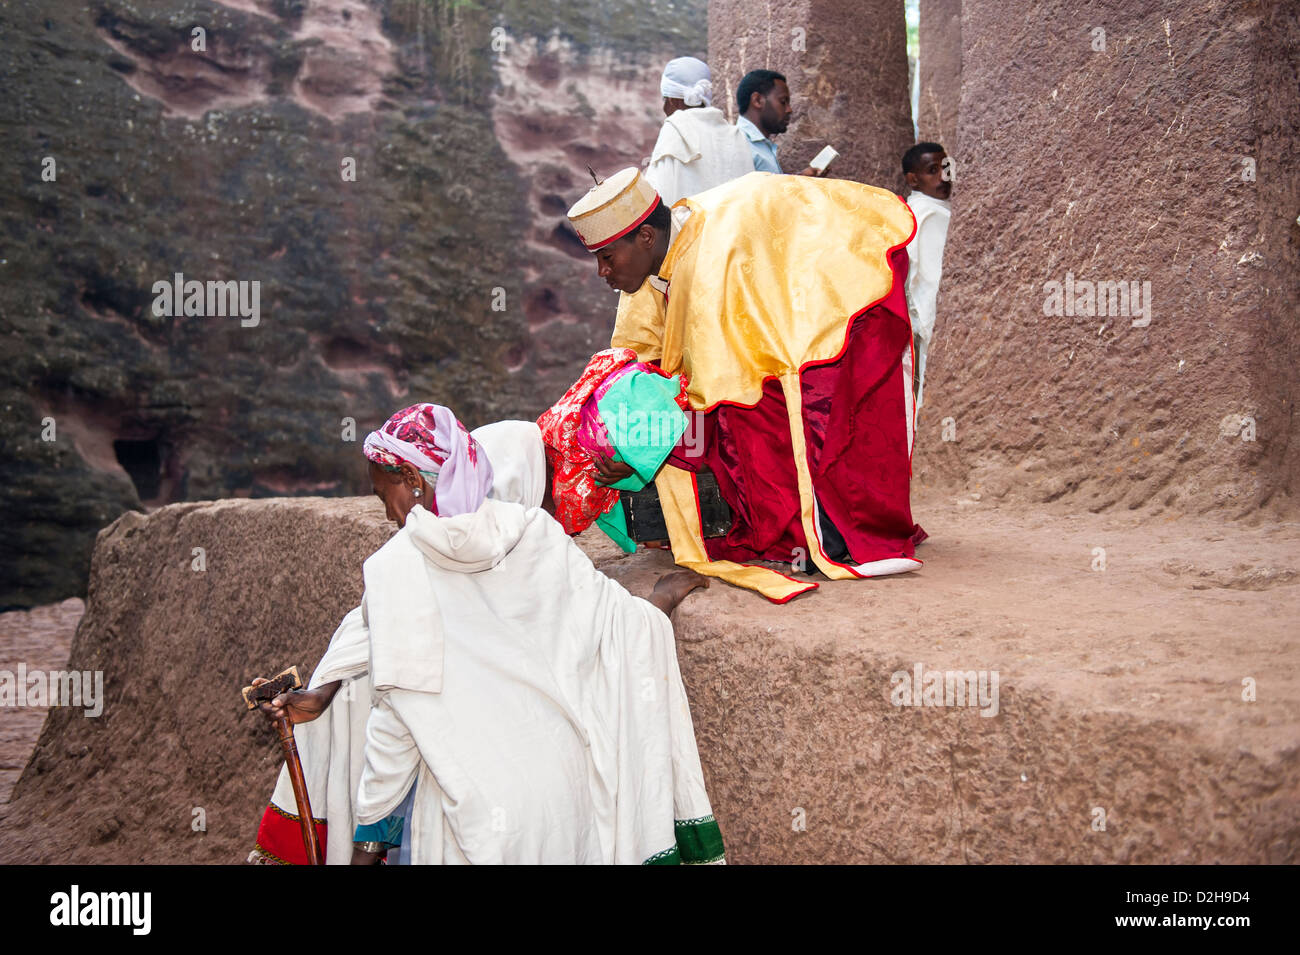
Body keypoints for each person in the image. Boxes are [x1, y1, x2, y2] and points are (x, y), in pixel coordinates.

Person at [247, 405, 722, 865]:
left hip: (474, 825)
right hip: (563, 808)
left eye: (382, 495)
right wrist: (659, 601)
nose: (387, 514)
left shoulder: (396, 569)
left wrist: (365, 849)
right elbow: (618, 630)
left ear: (412, 479)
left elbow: (395, 729)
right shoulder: (535, 533)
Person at [565, 166, 926, 602]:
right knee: (731, 425)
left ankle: (828, 529)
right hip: (777, 308)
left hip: (838, 287)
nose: (602, 271)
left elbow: (710, 388)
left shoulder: (708, 264)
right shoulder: (646, 273)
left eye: (607, 257)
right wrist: (623, 444)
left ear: (645, 237)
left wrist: (646, 453)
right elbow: (636, 366)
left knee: (785, 415)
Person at [643, 56, 755, 207]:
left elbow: (657, 196)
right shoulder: (736, 135)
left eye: (665, 100)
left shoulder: (675, 128)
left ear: (673, 101)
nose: (664, 108)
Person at [902, 142, 952, 409]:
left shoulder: (931, 209)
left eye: (945, 168)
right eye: (932, 170)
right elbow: (930, 285)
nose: (943, 177)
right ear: (913, 179)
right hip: (934, 327)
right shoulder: (928, 215)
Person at [735, 69, 823, 178]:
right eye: (783, 102)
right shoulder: (740, 146)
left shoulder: (760, 145)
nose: (789, 110)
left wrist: (800, 179)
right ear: (757, 100)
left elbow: (766, 187)